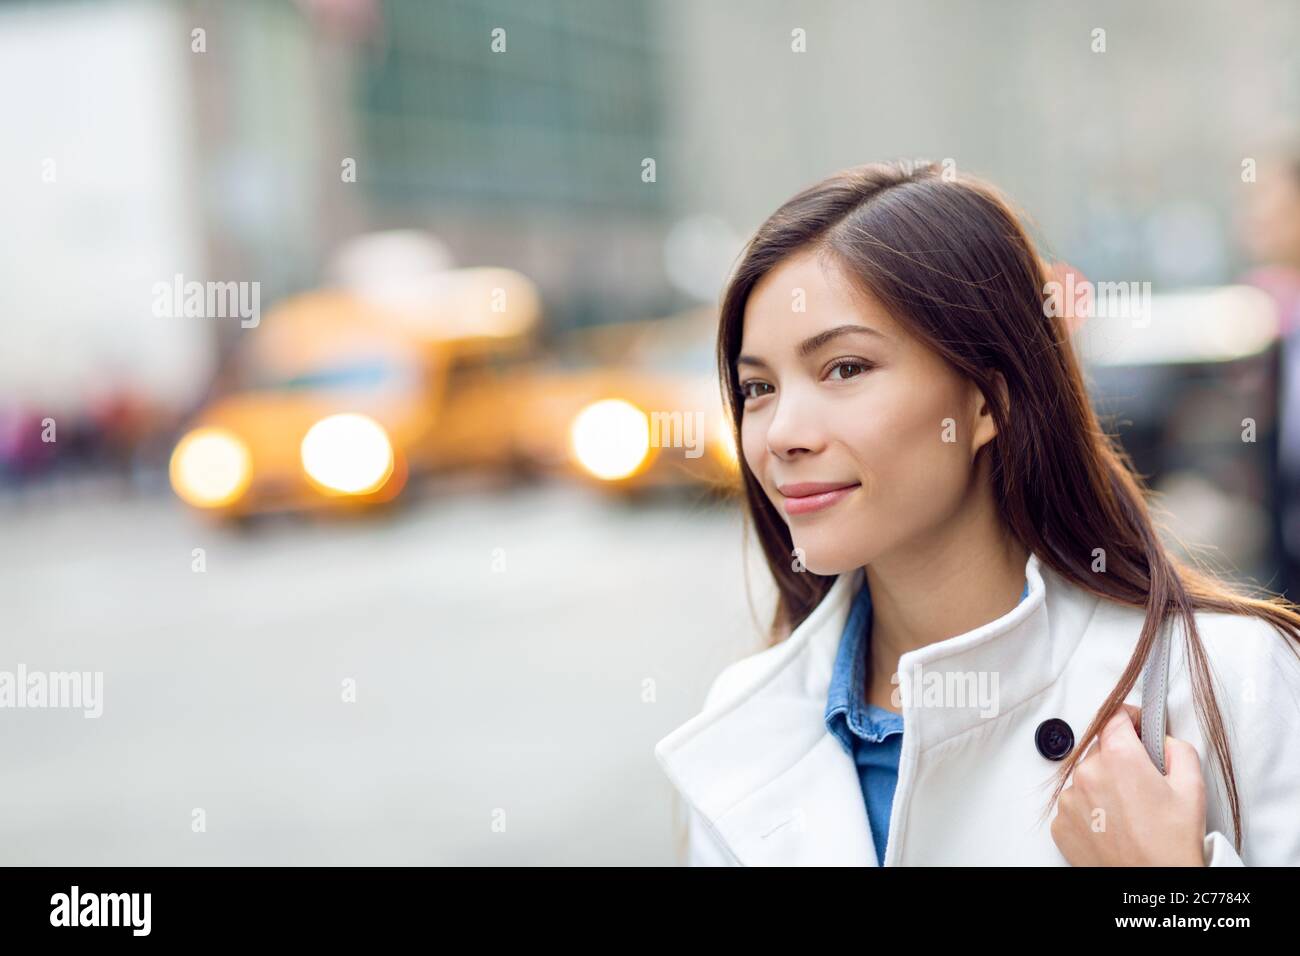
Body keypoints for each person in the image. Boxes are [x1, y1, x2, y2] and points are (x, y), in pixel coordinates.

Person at [654, 160, 1300, 866]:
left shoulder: (1226, 680)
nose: (781, 434)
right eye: (757, 388)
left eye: (845, 368)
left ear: (990, 399)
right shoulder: (747, 723)